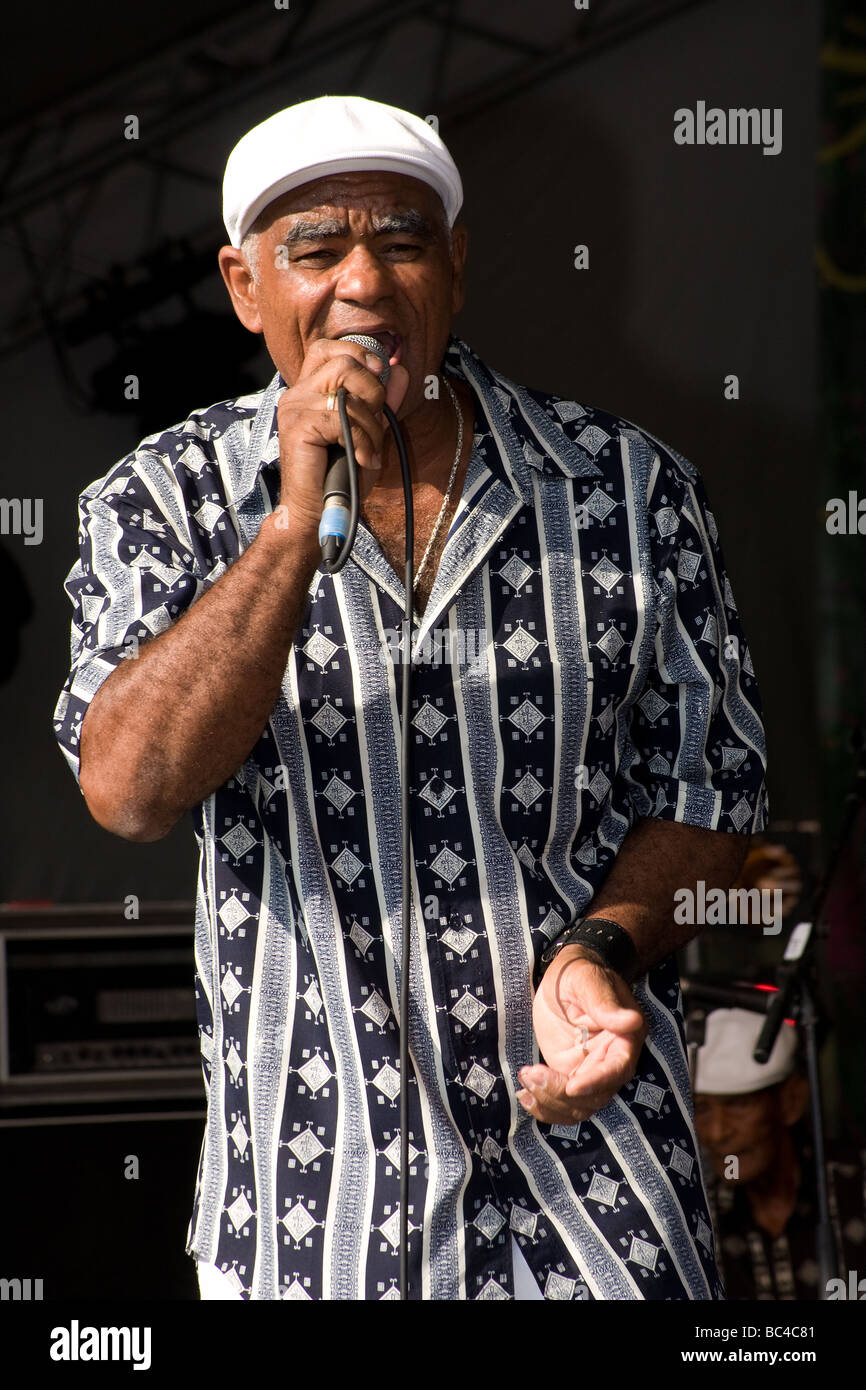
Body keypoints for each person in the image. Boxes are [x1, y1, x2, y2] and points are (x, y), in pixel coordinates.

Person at [54, 95, 768, 1301]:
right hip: (310, 1205)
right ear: (242, 285)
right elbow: (128, 790)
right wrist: (290, 525)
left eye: (399, 239)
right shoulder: (158, 500)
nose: (364, 284)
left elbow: (713, 786)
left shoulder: (625, 489)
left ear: (456, 260)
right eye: (315, 249)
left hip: (596, 1199)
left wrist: (602, 945)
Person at [695, 1007, 866, 1299]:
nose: (718, 1133)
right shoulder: (699, 1216)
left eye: (738, 1105)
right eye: (702, 1109)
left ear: (791, 1101)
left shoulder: (855, 1187)